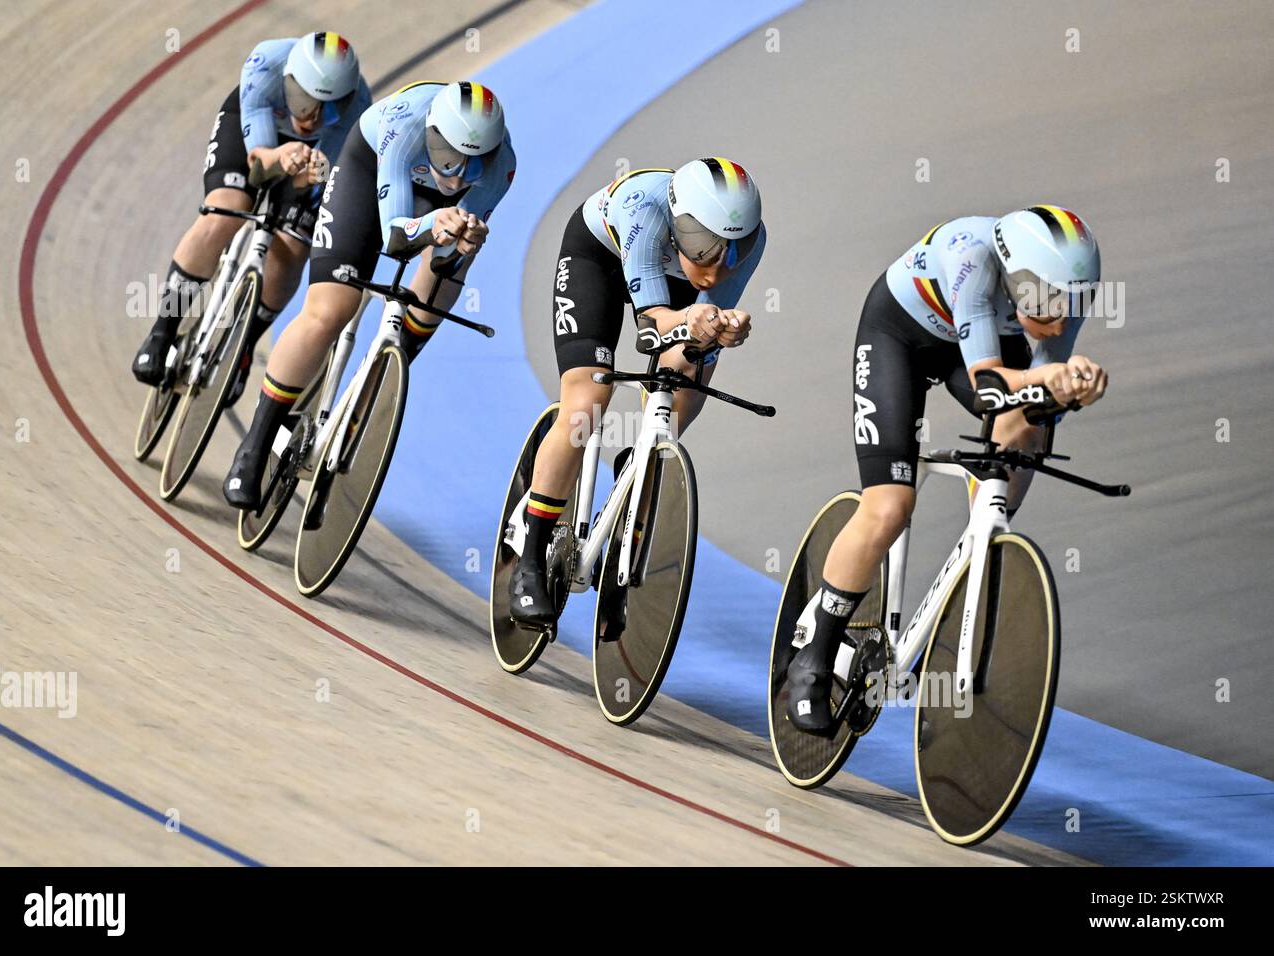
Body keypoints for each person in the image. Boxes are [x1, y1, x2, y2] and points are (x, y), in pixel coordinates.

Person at [786, 205, 1109, 733]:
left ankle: (979, 548)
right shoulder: (974, 260)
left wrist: (1069, 388)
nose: (1057, 317)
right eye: (1045, 301)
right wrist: (1051, 381)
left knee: (1020, 444)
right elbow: (989, 389)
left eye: (1071, 302)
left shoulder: (1059, 290)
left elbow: (1033, 404)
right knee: (890, 506)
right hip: (899, 336)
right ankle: (814, 652)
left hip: (978, 344)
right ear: (1013, 275)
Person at [222, 81, 517, 509]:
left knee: (451, 270)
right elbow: (396, 236)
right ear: (432, 135)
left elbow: (444, 259)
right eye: (449, 159)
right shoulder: (405, 127)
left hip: (432, 211)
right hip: (370, 171)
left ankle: (389, 365)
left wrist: (460, 244)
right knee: (330, 310)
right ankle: (255, 443)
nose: (457, 176)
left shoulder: (502, 166)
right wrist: (435, 224)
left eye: (473, 166)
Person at [508, 158, 767, 627]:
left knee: (676, 404)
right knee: (587, 405)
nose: (721, 265)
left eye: (735, 250)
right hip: (600, 262)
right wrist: (692, 320)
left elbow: (689, 345)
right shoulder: (642, 209)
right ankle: (529, 557)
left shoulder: (750, 244)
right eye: (708, 248)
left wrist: (720, 330)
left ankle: (637, 480)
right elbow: (651, 328)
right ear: (683, 229)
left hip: (672, 291)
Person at [130, 32, 370, 405]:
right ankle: (162, 331)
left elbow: (320, 180)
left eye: (329, 109)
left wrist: (306, 178)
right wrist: (279, 159)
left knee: (293, 243)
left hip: (310, 160)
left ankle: (245, 344)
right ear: (288, 83)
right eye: (304, 102)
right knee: (224, 212)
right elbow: (258, 164)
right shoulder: (268, 62)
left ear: (346, 102)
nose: (313, 118)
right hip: (254, 130)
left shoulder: (358, 109)